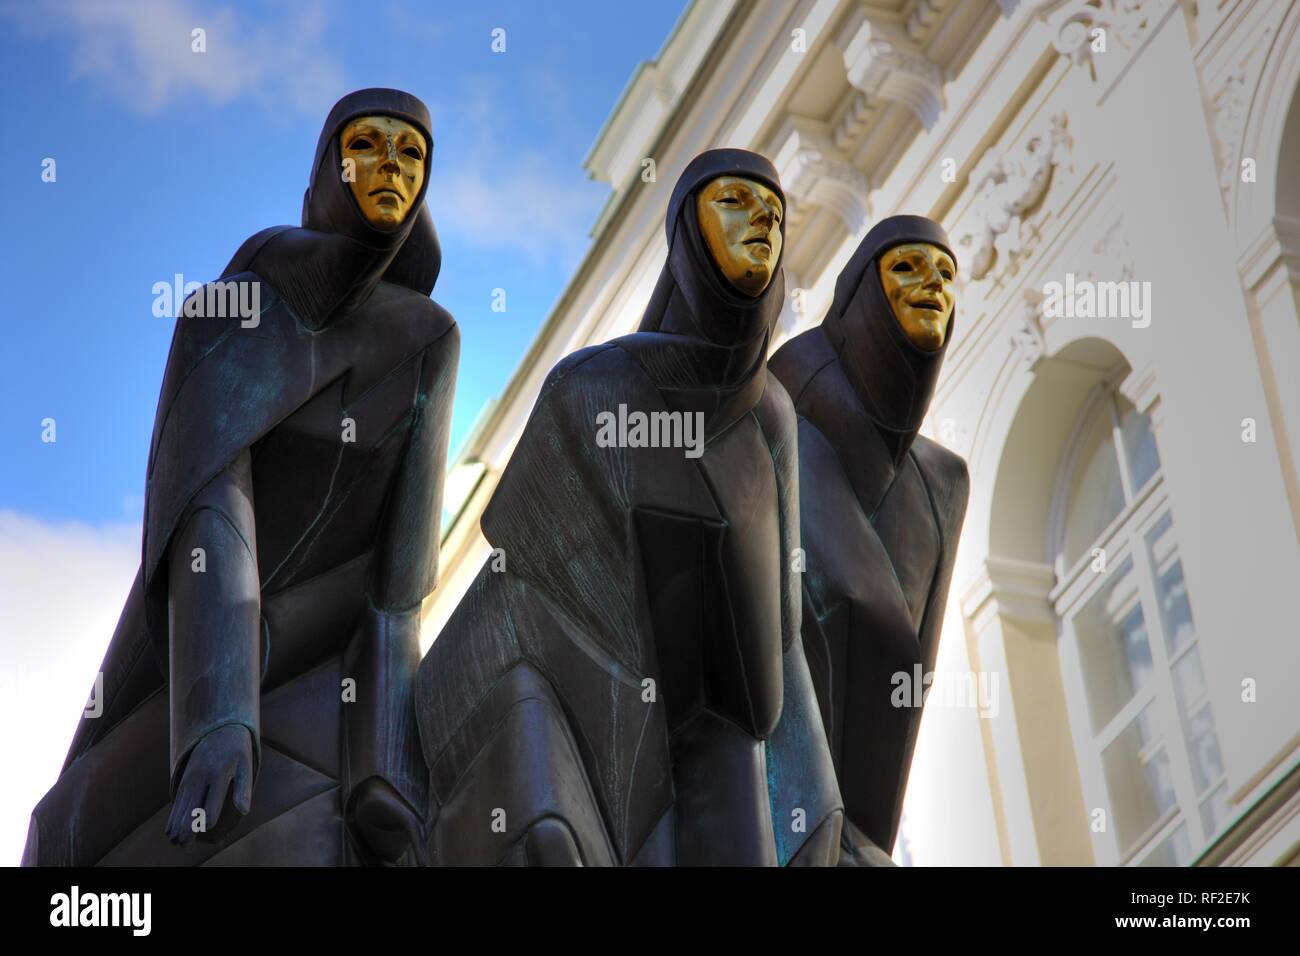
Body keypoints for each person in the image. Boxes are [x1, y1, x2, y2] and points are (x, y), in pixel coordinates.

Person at [24, 88, 458, 866]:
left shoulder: (429, 340)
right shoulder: (232, 308)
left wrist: (392, 774)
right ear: (328, 168)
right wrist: (220, 713)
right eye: (368, 143)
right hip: (205, 652)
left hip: (331, 671)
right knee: (69, 840)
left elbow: (398, 592)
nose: (392, 163)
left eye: (413, 151)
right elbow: (211, 511)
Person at [415, 149, 842, 865]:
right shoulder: (590, 387)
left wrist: (817, 802)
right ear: (685, 235)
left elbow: (782, 634)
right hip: (602, 745)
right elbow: (521, 596)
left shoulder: (772, 418)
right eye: (734, 201)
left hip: (727, 763)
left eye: (774, 211)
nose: (762, 220)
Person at [769, 216, 969, 866]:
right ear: (862, 296)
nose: (932, 285)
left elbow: (912, 681)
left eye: (945, 274)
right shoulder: (772, 416)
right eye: (906, 268)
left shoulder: (941, 484)